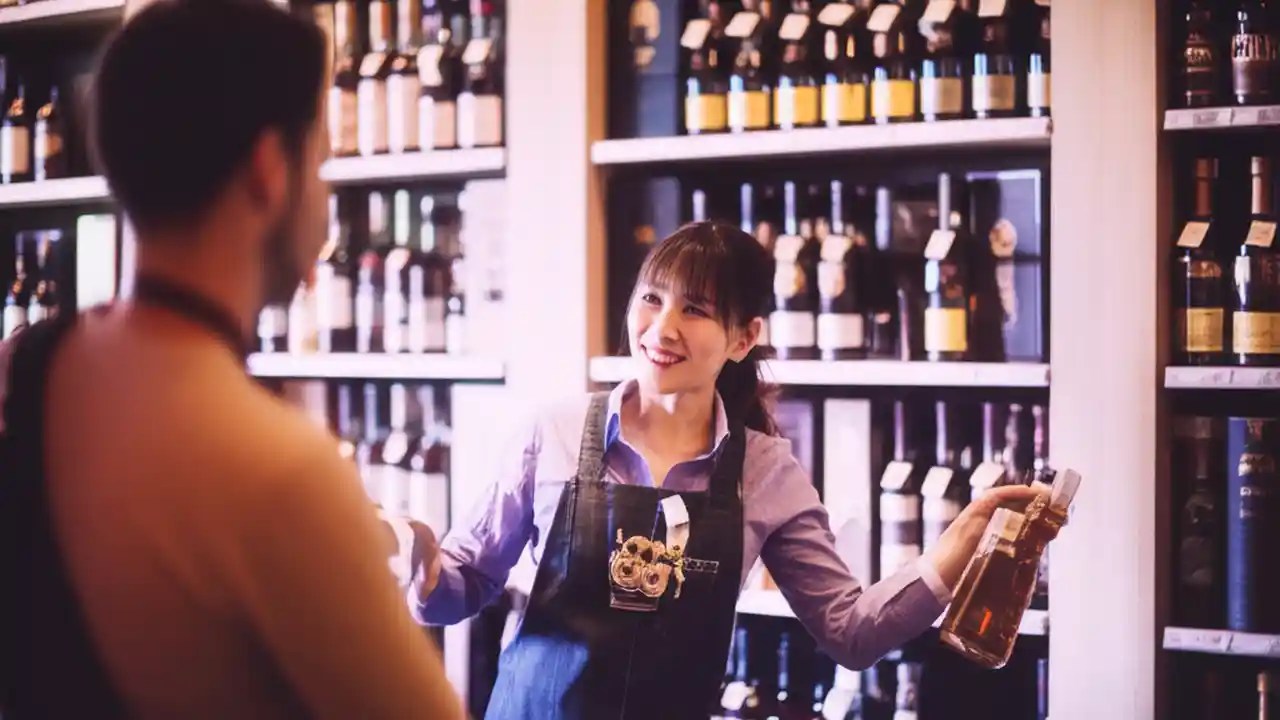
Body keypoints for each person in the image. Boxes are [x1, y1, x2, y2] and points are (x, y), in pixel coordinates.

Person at [0, 1, 461, 718]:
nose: (325, 195)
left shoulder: (24, 368)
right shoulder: (283, 472)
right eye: (322, 163)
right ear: (270, 169)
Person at [401, 221, 1045, 719]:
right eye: (651, 299)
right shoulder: (555, 434)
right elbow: (462, 586)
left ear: (743, 338)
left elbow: (851, 633)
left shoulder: (766, 473)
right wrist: (423, 560)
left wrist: (958, 547)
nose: (662, 328)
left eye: (695, 310)